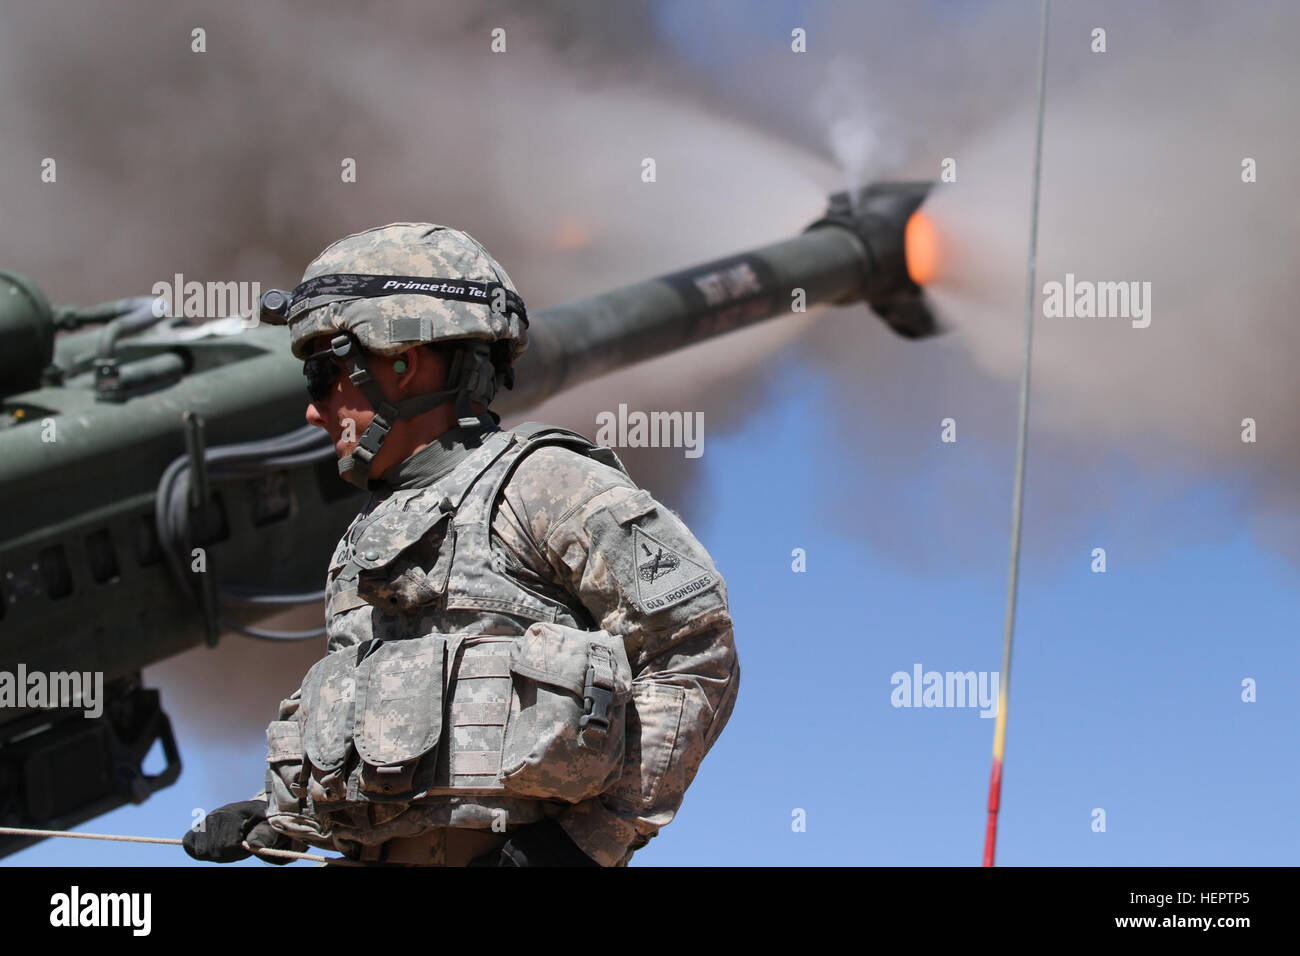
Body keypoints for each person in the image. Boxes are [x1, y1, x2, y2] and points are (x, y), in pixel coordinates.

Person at [183, 222, 739, 866]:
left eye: (322, 374)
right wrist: (277, 813)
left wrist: (578, 847)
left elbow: (695, 647)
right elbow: (386, 743)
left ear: (399, 360)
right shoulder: (361, 544)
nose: (313, 411)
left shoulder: (543, 483)